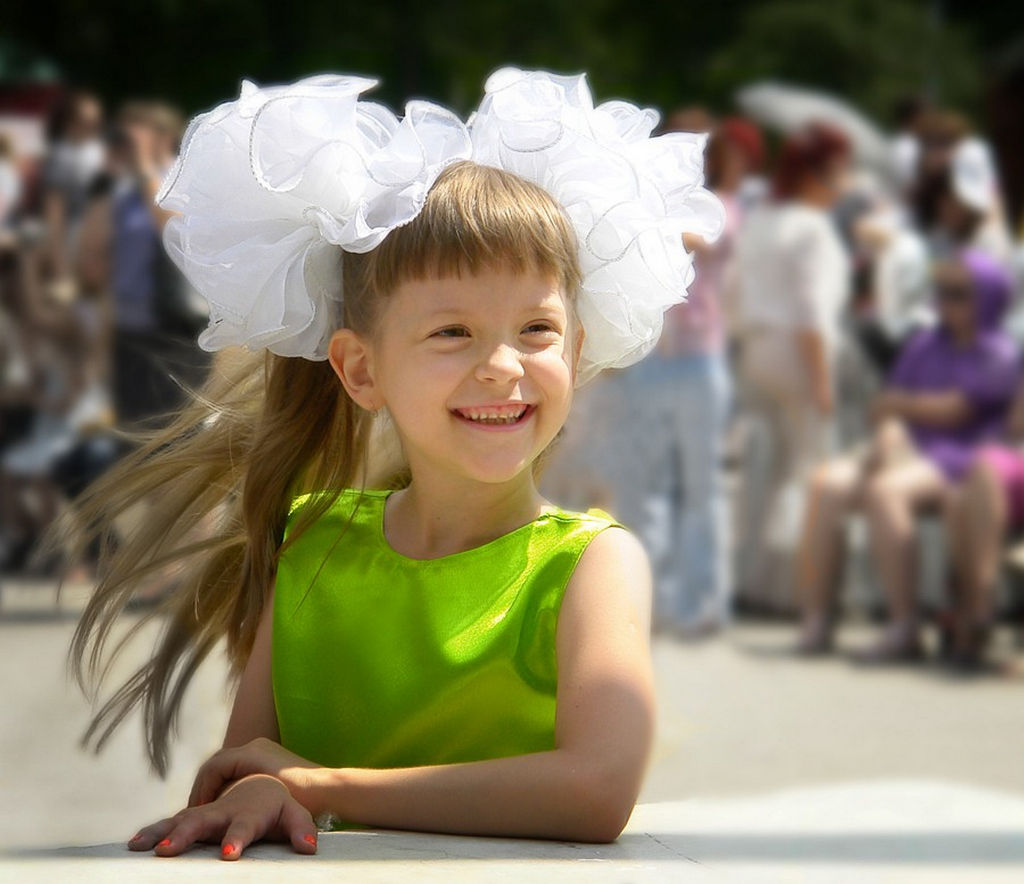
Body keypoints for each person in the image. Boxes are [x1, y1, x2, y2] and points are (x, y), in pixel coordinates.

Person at [39, 70, 723, 856]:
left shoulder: (595, 564)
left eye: (536, 329)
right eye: (451, 333)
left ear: (575, 347)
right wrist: (265, 789)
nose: (503, 364)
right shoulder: (312, 542)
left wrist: (320, 784)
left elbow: (597, 791)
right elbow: (251, 772)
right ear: (361, 369)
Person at [795, 249, 1020, 661]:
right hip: (911, 450)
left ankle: (905, 625)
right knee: (825, 484)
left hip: (960, 460)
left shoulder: (1000, 351)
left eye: (959, 293)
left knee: (887, 491)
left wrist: (900, 409)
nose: (945, 302)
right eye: (943, 291)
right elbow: (882, 405)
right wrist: (889, 431)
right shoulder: (925, 343)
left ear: (987, 297)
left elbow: (957, 409)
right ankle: (817, 619)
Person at [732, 122, 853, 613]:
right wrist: (823, 381)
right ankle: (798, 586)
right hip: (798, 355)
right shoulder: (813, 228)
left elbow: (734, 293)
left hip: (756, 349)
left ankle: (754, 577)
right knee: (809, 469)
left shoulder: (762, 219)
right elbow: (811, 311)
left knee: (767, 468)